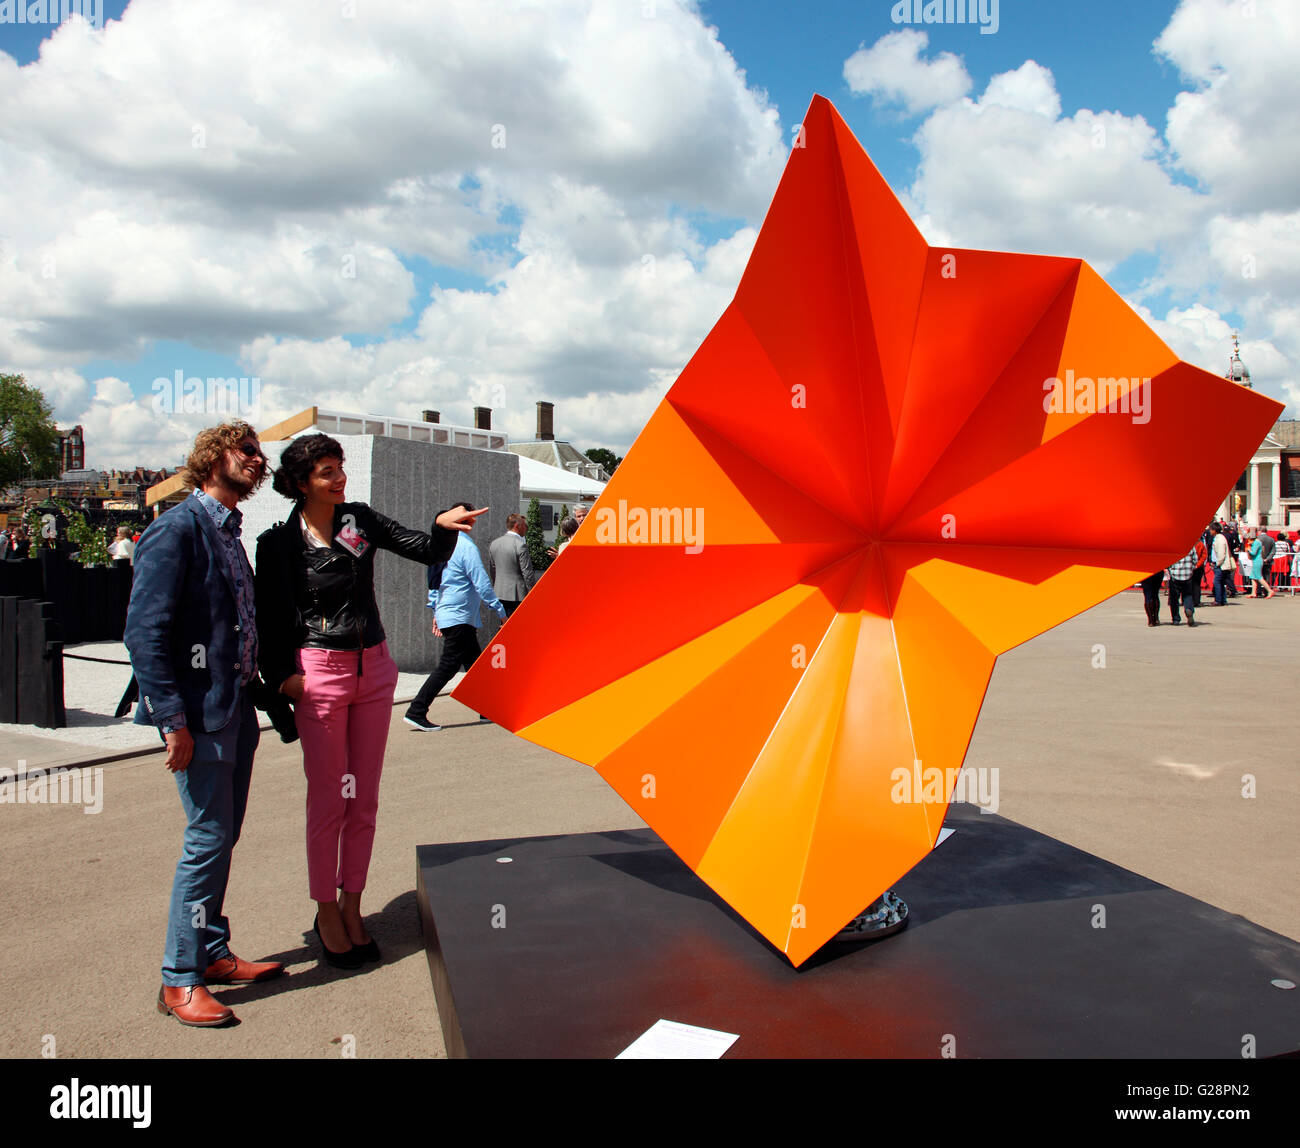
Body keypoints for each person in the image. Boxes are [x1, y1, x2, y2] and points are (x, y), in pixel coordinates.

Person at [255, 435, 484, 969]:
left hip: (374, 671)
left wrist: (441, 524)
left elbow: (424, 549)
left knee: (364, 801)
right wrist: (284, 679)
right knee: (328, 802)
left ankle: (352, 906)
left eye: (340, 468)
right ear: (299, 483)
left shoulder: (356, 520)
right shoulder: (278, 544)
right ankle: (325, 911)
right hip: (321, 676)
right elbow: (269, 618)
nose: (339, 478)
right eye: (326, 471)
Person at [124, 421, 283, 1028]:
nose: (256, 460)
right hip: (199, 716)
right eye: (246, 450)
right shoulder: (177, 529)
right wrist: (172, 719)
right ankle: (180, 977)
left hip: (234, 709)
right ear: (212, 457)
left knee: (223, 837)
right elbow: (144, 633)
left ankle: (212, 951)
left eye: (259, 453)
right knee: (206, 841)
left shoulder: (227, 532)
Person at [404, 502, 507, 732]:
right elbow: (480, 581)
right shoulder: (465, 546)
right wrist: (499, 611)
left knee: (474, 665)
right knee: (449, 666)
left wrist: (435, 610)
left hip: (452, 613)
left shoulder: (441, 546)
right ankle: (416, 710)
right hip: (459, 614)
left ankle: (486, 710)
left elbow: (434, 581)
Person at [488, 512, 535, 617]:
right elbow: (527, 572)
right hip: (517, 594)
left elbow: (493, 568)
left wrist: (497, 584)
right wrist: (532, 591)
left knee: (503, 623)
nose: (526, 528)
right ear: (517, 526)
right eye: (524, 525)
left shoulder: (494, 543)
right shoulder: (520, 545)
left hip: (499, 591)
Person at [1167, 545, 1199, 626]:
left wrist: (1170, 569)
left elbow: (1168, 560)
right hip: (1187, 574)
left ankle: (1176, 619)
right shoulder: (1191, 546)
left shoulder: (1173, 547)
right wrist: (1191, 568)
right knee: (1187, 595)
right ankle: (1189, 609)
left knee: (1174, 598)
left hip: (1175, 574)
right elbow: (1195, 559)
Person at [1209, 524, 1233, 606]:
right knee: (1221, 582)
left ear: (1214, 530)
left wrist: (1217, 563)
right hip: (1219, 564)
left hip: (1220, 565)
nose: (1209, 531)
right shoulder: (1219, 538)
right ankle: (1223, 599)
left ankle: (1218, 600)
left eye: (1211, 529)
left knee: (1217, 582)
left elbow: (1221, 554)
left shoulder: (1219, 539)